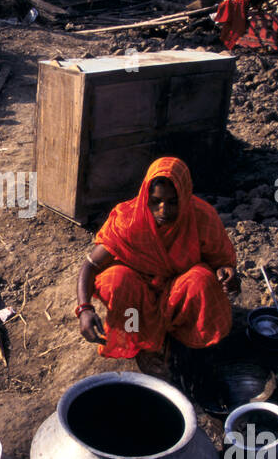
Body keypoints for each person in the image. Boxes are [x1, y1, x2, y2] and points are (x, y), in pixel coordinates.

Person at [75, 156, 241, 375]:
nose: (163, 210)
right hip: (137, 299)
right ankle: (139, 343)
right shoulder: (129, 220)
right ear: (145, 196)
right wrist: (84, 309)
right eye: (155, 201)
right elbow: (90, 266)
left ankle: (183, 341)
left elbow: (221, 262)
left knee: (202, 279)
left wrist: (227, 273)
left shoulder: (201, 217)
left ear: (185, 195)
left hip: (179, 294)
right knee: (117, 281)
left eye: (173, 202)